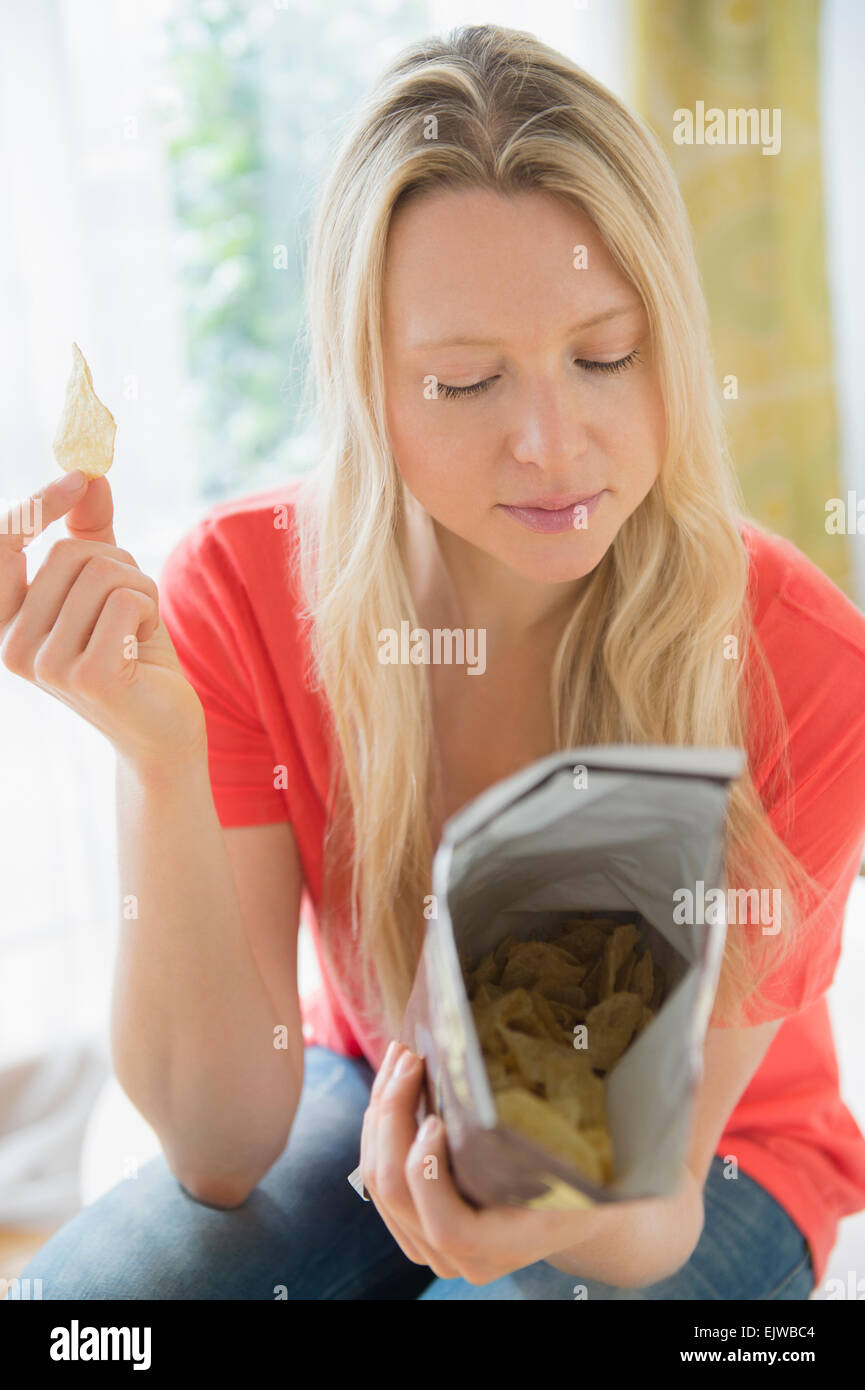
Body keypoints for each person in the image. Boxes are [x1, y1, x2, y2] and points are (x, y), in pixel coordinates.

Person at [6, 24, 865, 1300]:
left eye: (604, 357)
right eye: (464, 382)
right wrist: (160, 757)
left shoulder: (804, 665)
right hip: (384, 1068)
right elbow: (222, 1143)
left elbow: (653, 1212)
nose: (549, 443)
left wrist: (516, 1223)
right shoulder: (243, 591)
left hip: (699, 1168)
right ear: (369, 389)